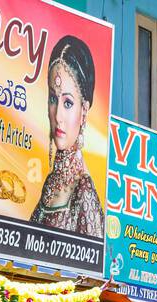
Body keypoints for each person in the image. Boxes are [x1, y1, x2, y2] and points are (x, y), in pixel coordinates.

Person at [31, 36, 104, 238]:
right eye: (53, 99)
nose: (58, 115)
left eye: (68, 103)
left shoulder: (83, 190)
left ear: (84, 110)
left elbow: (93, 268)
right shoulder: (51, 182)